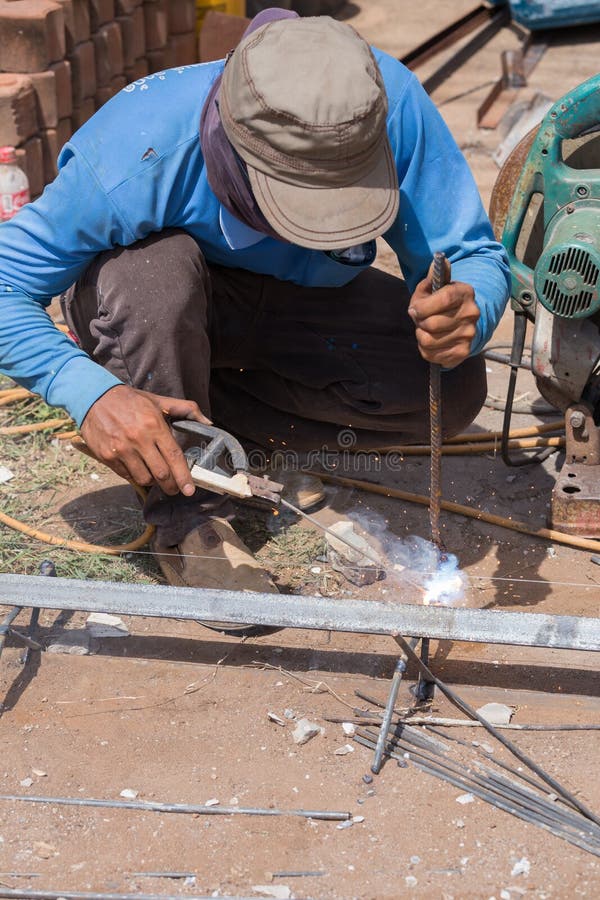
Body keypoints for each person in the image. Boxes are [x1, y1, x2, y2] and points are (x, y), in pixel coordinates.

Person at [0, 10, 510, 613]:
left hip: (288, 307)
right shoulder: (133, 156)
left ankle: (228, 441)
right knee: (150, 276)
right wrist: (87, 391)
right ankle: (188, 519)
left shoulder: (380, 103)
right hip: (154, 311)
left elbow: (471, 252)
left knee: (451, 386)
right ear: (232, 151)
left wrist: (466, 308)